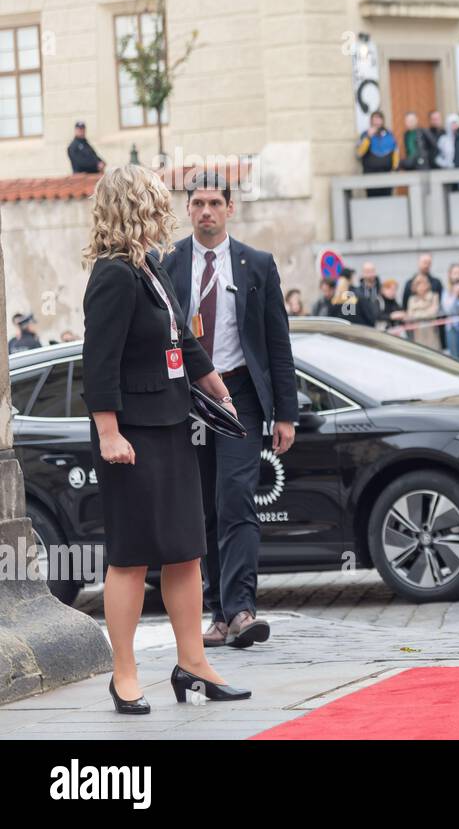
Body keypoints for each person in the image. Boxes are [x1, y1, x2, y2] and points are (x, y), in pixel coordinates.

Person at [80, 164, 250, 714]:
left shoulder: (150, 266)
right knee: (130, 557)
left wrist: (219, 393)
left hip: (172, 426)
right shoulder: (112, 274)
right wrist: (108, 433)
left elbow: (183, 339)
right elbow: (98, 365)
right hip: (130, 438)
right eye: (155, 201)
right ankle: (124, 674)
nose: (166, 210)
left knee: (185, 552)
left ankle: (193, 663)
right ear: (134, 206)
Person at [161, 170, 298, 650]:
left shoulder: (256, 265)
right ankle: (218, 613)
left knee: (237, 498)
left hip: (238, 395)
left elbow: (277, 343)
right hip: (187, 399)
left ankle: (241, 610)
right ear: (187, 209)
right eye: (197, 203)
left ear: (230, 208)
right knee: (204, 509)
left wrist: (285, 413)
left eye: (215, 202)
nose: (205, 211)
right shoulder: (168, 262)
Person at [356, 111, 399, 196]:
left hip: (386, 174)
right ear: (371, 121)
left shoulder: (389, 134)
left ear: (382, 120)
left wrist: (395, 168)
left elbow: (395, 151)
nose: (376, 122)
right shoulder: (365, 134)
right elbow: (359, 153)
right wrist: (368, 137)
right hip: (370, 174)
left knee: (387, 198)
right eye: (374, 119)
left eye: (379, 119)